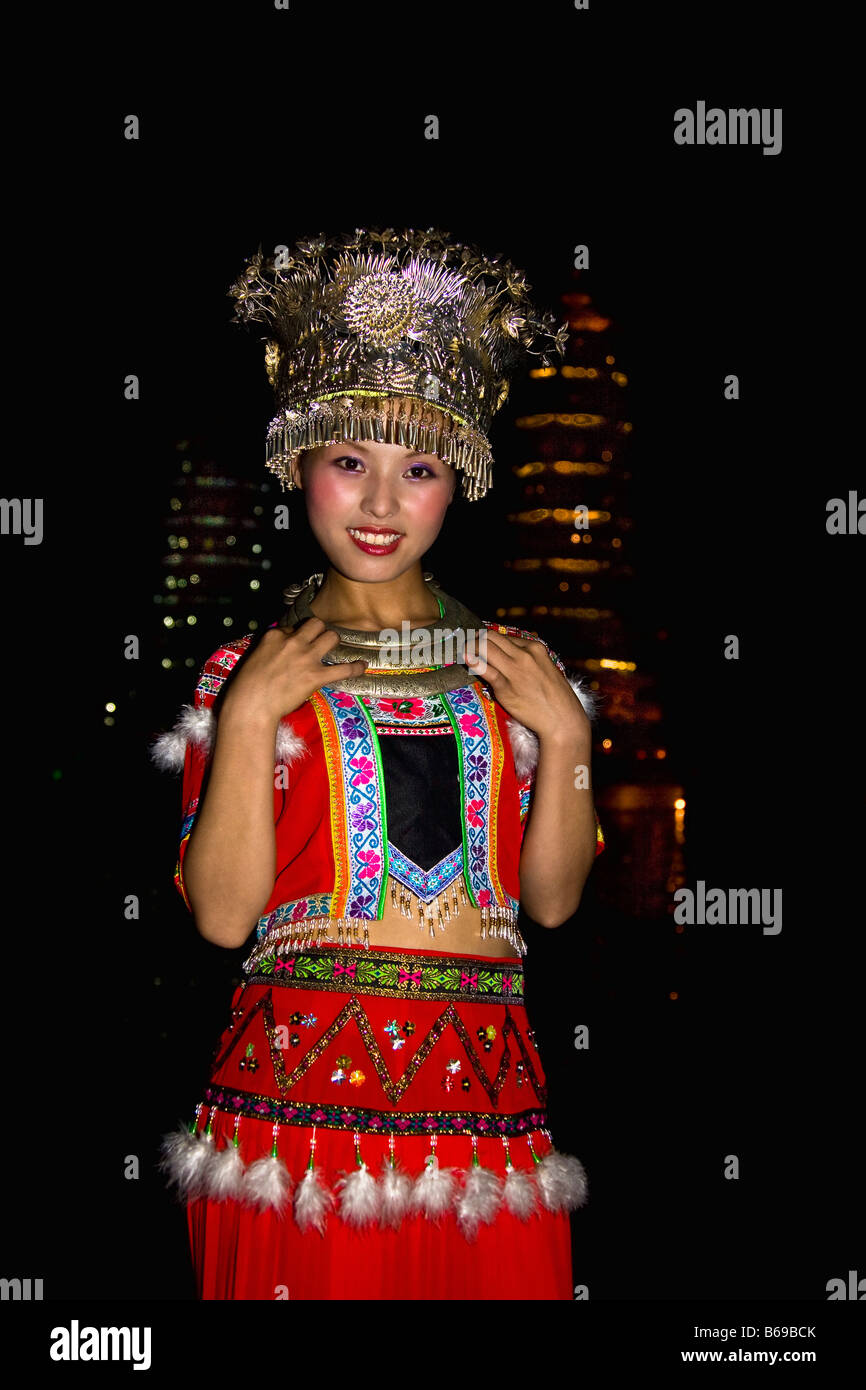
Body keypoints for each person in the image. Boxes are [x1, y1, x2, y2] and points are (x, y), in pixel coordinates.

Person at [151, 227, 606, 1300]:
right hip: (293, 1137)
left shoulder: (512, 674)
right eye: (349, 461)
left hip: (487, 1118)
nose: (381, 504)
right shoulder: (248, 671)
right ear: (297, 463)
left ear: (461, 481)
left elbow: (548, 902)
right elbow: (221, 917)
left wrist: (571, 738)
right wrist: (255, 710)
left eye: (420, 468)